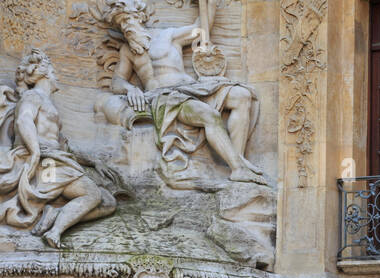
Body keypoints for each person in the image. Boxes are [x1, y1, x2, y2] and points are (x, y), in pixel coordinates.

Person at [102, 0, 266, 186]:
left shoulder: (167, 36)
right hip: (166, 97)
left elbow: (201, 28)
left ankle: (239, 159)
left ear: (139, 17)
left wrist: (209, 3)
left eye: (127, 20)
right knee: (209, 116)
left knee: (241, 95)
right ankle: (237, 169)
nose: (125, 27)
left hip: (192, 88)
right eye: (120, 24)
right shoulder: (128, 50)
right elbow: (117, 81)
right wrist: (130, 88)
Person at [0, 50, 122, 248]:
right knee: (92, 195)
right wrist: (35, 151)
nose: (57, 79)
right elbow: (24, 120)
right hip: (47, 163)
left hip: (57, 159)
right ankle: (55, 231)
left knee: (108, 202)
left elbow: (66, 146)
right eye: (55, 73)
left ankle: (55, 213)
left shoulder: (49, 105)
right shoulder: (33, 96)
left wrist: (94, 162)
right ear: (46, 73)